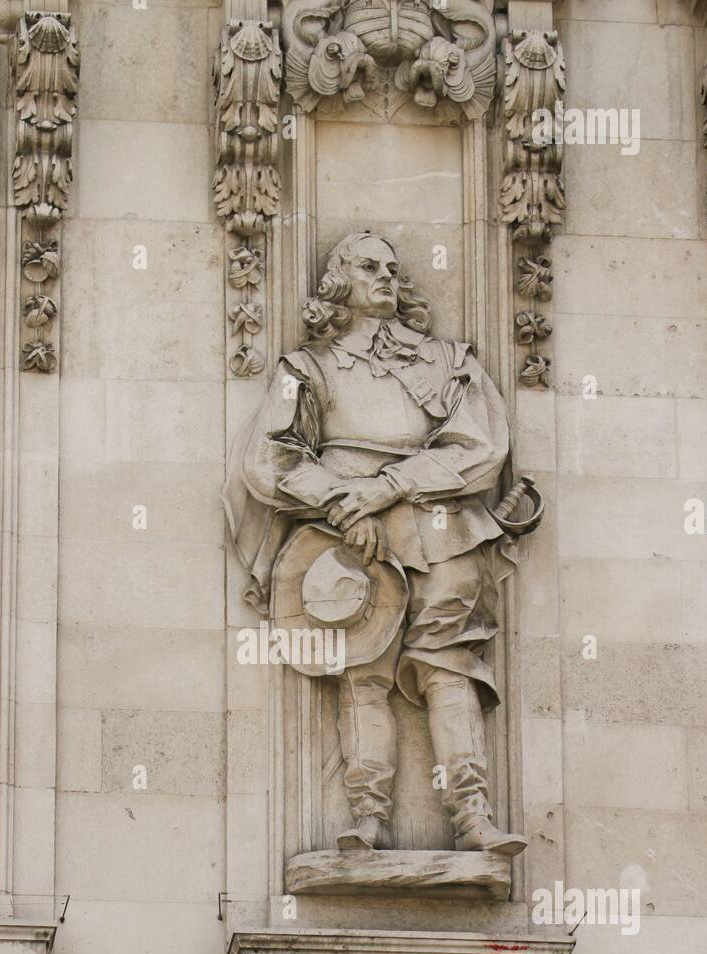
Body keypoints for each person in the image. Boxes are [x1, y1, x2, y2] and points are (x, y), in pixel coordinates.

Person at [225, 232, 529, 856]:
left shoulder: (449, 359)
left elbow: (481, 446)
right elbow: (268, 458)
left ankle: (473, 817)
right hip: (351, 537)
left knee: (449, 668)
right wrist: (342, 502)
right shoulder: (305, 368)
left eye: (392, 267)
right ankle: (368, 817)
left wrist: (388, 486)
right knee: (363, 675)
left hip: (441, 527)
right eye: (369, 266)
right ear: (339, 282)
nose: (385, 276)